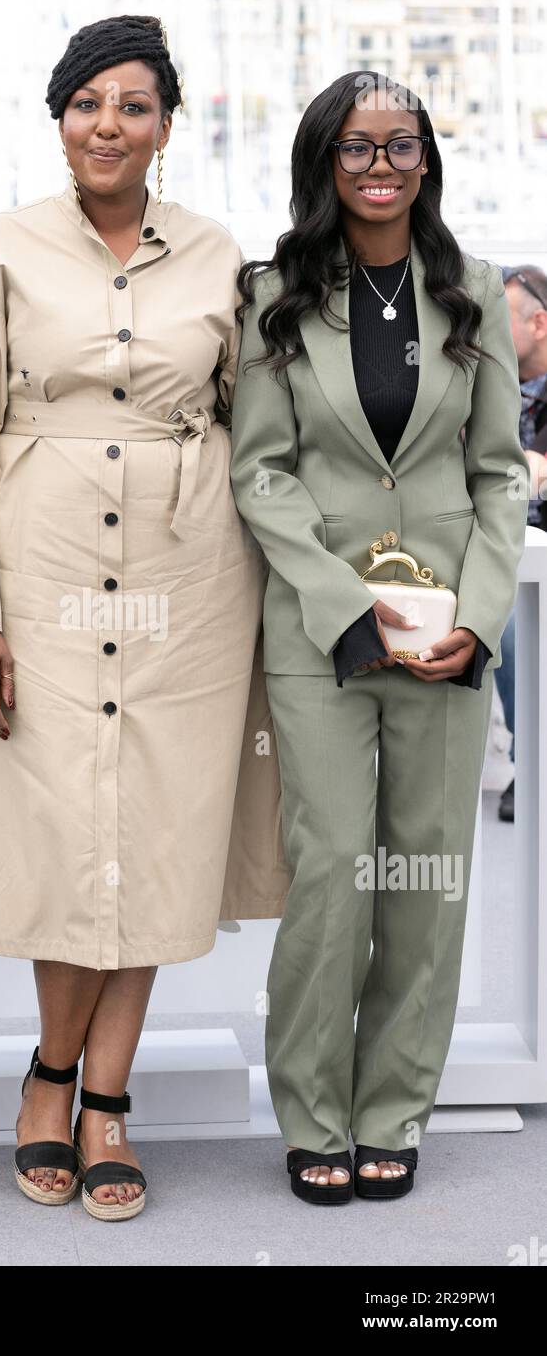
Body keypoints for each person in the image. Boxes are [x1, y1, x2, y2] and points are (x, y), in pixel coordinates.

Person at [0, 15, 289, 1222]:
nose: (107, 124)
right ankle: (48, 1074)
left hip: (193, 586)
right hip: (41, 576)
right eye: (86, 103)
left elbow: (261, 430)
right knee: (71, 831)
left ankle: (102, 1097)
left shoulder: (220, 257)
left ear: (166, 126)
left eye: (132, 105)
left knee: (155, 837)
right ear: (58, 118)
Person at [230, 71, 528, 1203]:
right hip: (322, 631)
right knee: (332, 874)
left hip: (447, 628)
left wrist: (481, 615)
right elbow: (257, 468)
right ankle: (311, 1111)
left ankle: (391, 1105)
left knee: (427, 876)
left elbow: (498, 474)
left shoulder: (473, 293)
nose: (378, 168)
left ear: (424, 160)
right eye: (355, 149)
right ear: (323, 162)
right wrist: (339, 603)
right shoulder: (275, 293)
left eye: (398, 147)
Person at [492, 265, 547, 821]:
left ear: (539, 323)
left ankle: (534, 767)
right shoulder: (484, 383)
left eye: (498, 317)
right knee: (502, 624)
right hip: (502, 556)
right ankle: (529, 766)